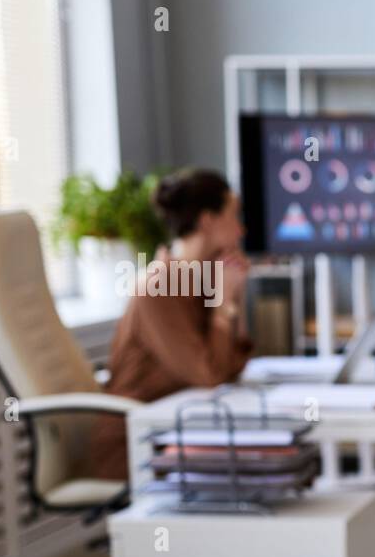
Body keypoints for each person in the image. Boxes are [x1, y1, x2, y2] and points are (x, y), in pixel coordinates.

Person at [90, 169, 253, 479]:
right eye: (234, 217)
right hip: (139, 445)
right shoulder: (159, 287)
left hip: (183, 434)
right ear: (208, 221)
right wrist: (223, 306)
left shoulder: (202, 281)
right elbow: (209, 377)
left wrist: (233, 298)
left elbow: (233, 366)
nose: (241, 231)